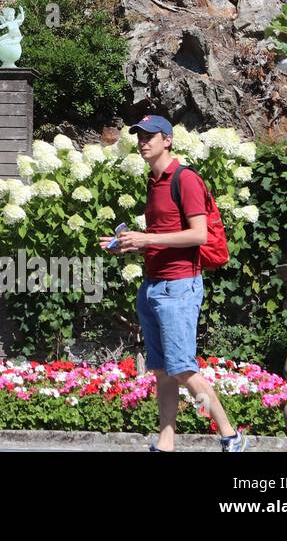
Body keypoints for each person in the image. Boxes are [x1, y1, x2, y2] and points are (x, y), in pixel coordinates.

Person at [103, 114, 247, 453]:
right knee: (163, 371)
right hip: (153, 286)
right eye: (139, 136)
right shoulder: (153, 184)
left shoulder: (186, 180)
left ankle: (229, 435)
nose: (143, 141)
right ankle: (165, 444)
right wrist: (125, 242)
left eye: (151, 136)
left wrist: (148, 239)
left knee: (181, 368)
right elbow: (158, 238)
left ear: (167, 140)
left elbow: (198, 234)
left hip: (179, 287)